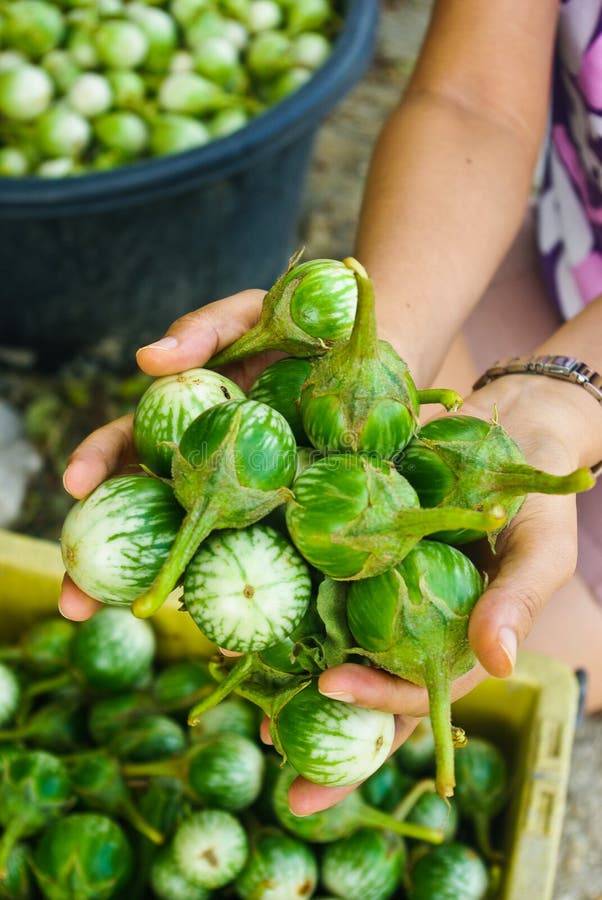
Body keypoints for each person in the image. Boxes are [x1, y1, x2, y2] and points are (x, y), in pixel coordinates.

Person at [59, 0, 602, 815]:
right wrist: (376, 359)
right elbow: (473, 103)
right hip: (565, 244)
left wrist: (564, 396)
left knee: (550, 646)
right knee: (512, 623)